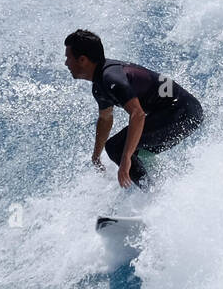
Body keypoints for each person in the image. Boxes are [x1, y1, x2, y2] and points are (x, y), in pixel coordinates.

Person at [64, 29, 204, 188]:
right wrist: (96, 156)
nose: (66, 63)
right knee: (133, 150)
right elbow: (105, 118)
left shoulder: (110, 78)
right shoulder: (99, 86)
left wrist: (125, 158)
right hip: (179, 114)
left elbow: (137, 114)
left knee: (118, 147)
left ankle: (152, 195)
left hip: (182, 112)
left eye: (68, 58)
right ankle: (166, 187)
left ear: (82, 60)